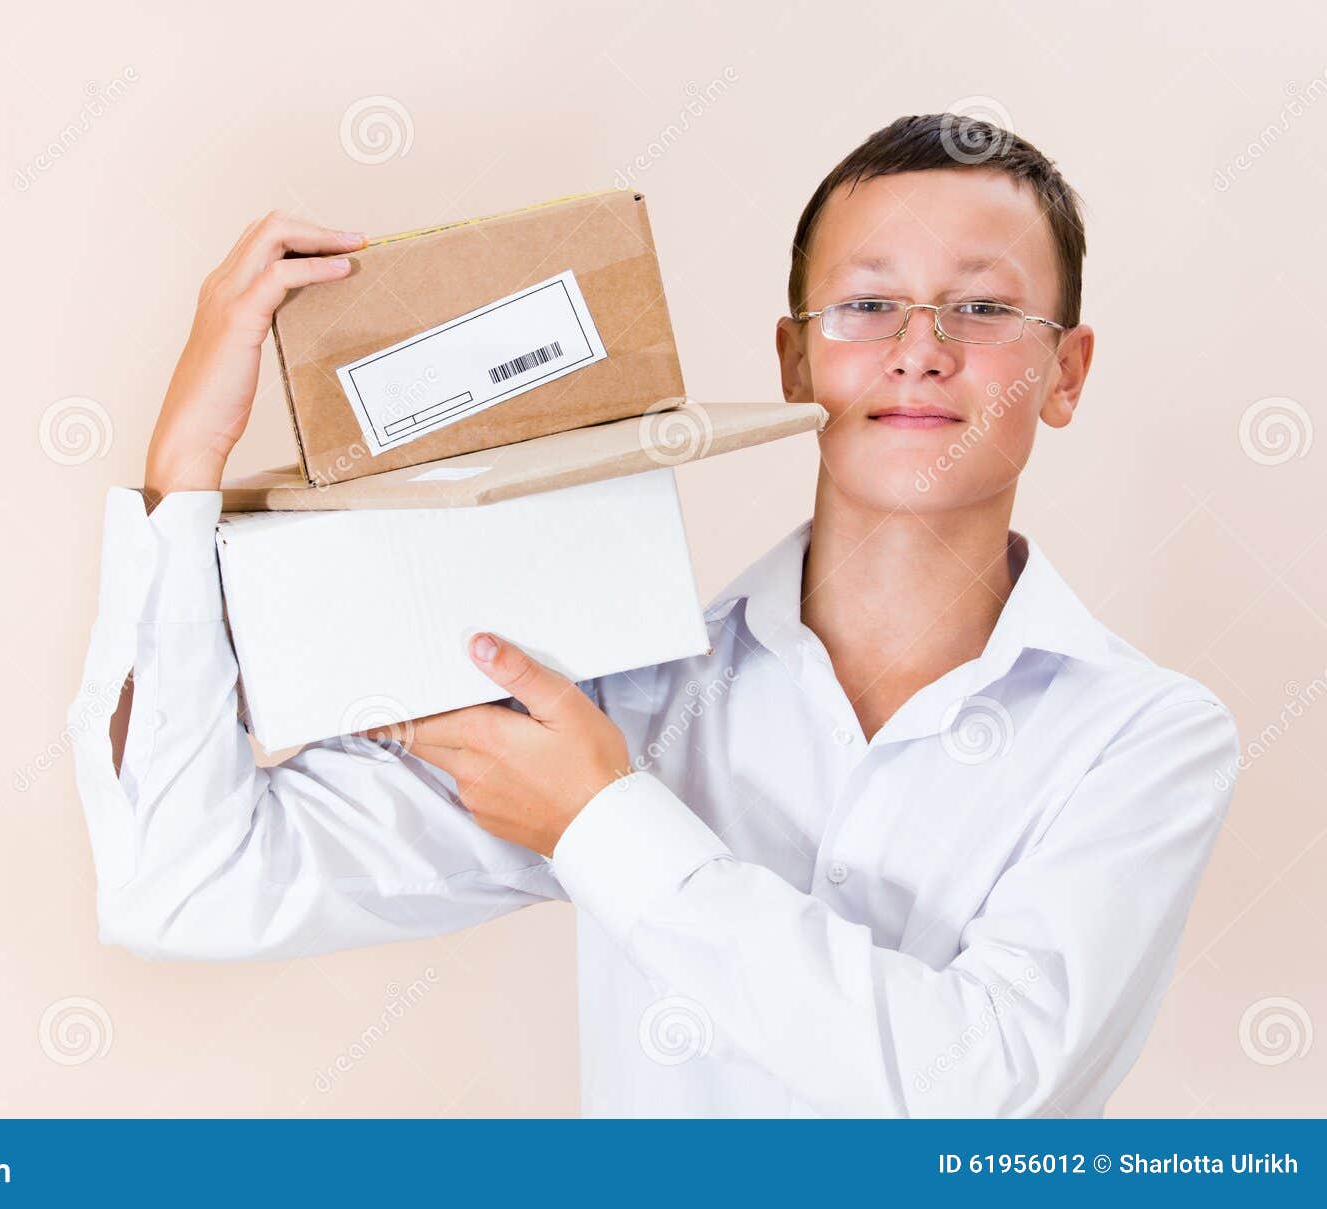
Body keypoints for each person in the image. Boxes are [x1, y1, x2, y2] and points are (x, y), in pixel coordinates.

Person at [68, 114, 1239, 1117]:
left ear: (1065, 373)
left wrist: (598, 820)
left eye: (982, 308)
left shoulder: (1144, 737)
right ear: (793, 360)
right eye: (867, 304)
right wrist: (184, 472)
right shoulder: (620, 697)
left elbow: (981, 1089)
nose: (919, 353)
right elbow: (187, 881)